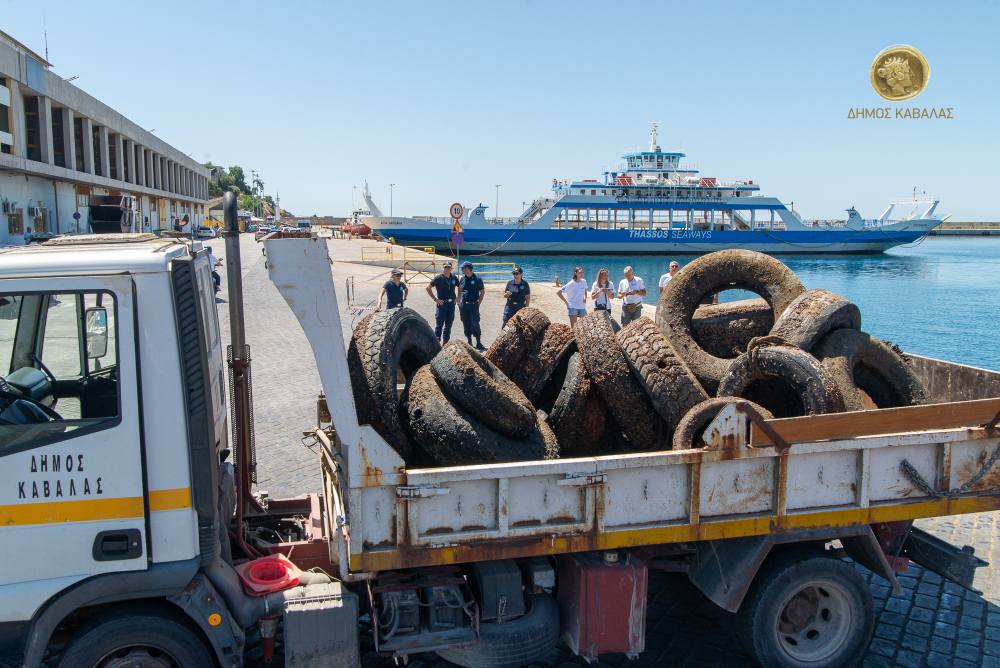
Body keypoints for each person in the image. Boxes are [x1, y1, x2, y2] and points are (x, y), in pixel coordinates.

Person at [426, 261, 460, 343]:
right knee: (439, 325)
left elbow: (460, 286)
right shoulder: (438, 278)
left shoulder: (454, 278)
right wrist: (435, 299)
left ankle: (445, 343)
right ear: (443, 268)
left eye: (449, 267)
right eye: (445, 267)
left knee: (448, 325)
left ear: (451, 268)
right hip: (442, 305)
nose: (447, 269)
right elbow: (428, 288)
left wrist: (458, 297)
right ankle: (436, 344)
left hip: (451, 304)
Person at [458, 261, 486, 350]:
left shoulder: (478, 279)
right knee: (465, 323)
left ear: (469, 268)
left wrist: (479, 303)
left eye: (464, 268)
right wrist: (459, 299)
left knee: (475, 323)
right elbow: (460, 289)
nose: (462, 270)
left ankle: (478, 342)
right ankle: (469, 341)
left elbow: (482, 292)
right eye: (462, 268)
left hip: (474, 305)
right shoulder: (462, 279)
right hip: (464, 305)